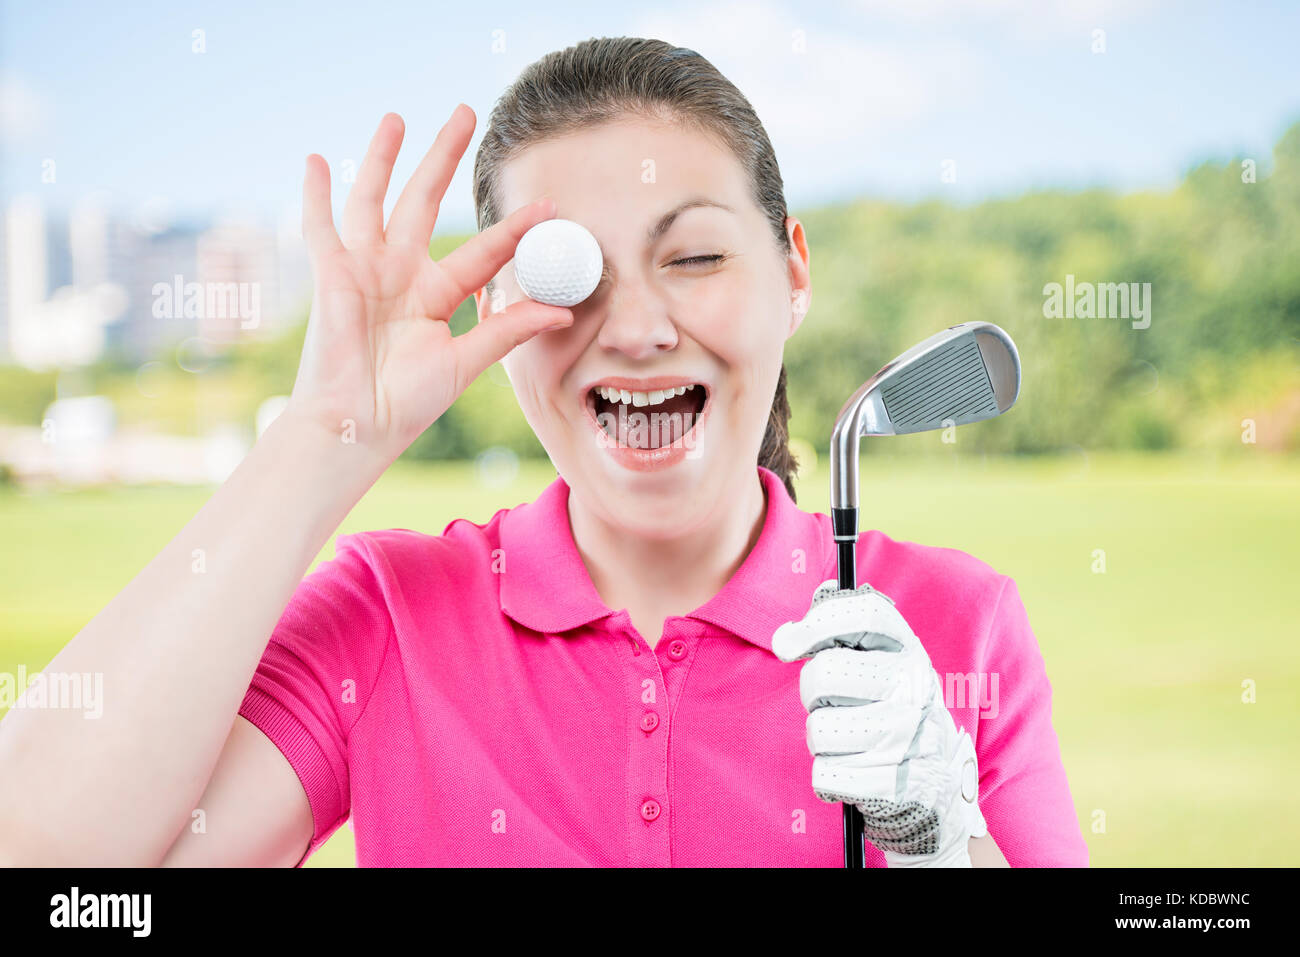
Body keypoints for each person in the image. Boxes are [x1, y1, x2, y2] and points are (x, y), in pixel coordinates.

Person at [0, 37, 1087, 867]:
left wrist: (945, 845)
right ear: (491, 306)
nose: (639, 329)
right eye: (571, 278)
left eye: (696, 255)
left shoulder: (954, 624)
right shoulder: (388, 616)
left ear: (793, 274)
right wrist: (323, 439)